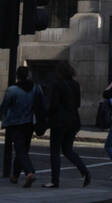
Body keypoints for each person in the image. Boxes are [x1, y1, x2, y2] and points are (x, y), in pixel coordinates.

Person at [42, 60, 90, 189]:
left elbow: (53, 104)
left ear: (59, 72)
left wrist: (47, 116)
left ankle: (54, 181)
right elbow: (78, 104)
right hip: (73, 121)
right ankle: (84, 171)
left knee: (55, 151)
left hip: (59, 122)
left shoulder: (57, 84)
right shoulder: (75, 84)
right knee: (68, 149)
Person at [0, 65, 45, 187]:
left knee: (20, 150)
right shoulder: (36, 88)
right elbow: (42, 105)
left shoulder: (12, 90)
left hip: (15, 124)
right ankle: (15, 176)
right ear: (28, 75)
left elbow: (4, 107)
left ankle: (30, 172)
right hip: (29, 124)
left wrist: (3, 120)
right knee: (23, 150)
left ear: (17, 76)